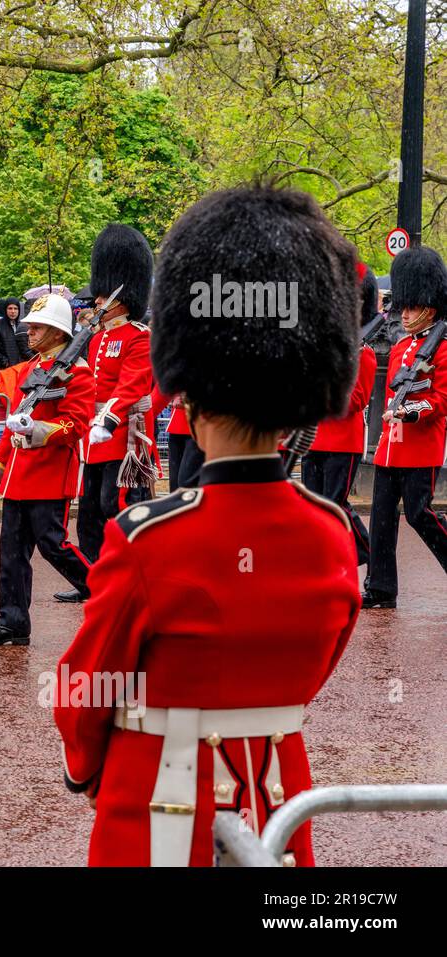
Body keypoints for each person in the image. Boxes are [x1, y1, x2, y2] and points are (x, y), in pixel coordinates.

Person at [54, 185, 363, 867]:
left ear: (189, 402)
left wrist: (84, 768)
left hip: (156, 811)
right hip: (279, 811)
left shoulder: (148, 539)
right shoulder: (331, 534)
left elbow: (84, 692)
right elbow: (310, 674)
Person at [0, 294, 93, 645]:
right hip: (18, 476)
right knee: (11, 552)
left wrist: (37, 430)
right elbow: (13, 426)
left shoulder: (77, 372)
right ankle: (12, 620)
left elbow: (77, 424)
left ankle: (104, 588)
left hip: (50, 473)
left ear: (58, 332)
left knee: (53, 544)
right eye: (30, 326)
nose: (30, 332)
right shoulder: (30, 369)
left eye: (38, 327)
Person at [65, 223, 156, 598]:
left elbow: (132, 385)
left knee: (115, 506)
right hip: (95, 435)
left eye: (101, 298)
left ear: (121, 297)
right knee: (88, 509)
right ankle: (91, 578)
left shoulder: (138, 336)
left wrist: (109, 417)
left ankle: (133, 577)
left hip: (124, 436)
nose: (96, 303)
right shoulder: (98, 337)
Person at [362, 245, 447, 609]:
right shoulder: (399, 348)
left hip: (420, 447)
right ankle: (381, 587)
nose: (405, 313)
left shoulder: (441, 350)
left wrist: (412, 411)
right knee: (381, 519)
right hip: (389, 448)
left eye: (412, 307)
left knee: (419, 513)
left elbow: (441, 399)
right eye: (405, 306)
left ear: (430, 307)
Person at [302, 264, 379, 567]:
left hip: (342, 443)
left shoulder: (365, 354)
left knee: (336, 506)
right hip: (315, 439)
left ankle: (367, 552)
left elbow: (355, 401)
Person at [0, 297, 32, 369]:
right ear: (5, 310)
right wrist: (4, 361)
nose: (13, 311)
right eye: (10, 308)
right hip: (5, 368)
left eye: (15, 308)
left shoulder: (22, 325)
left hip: (21, 366)